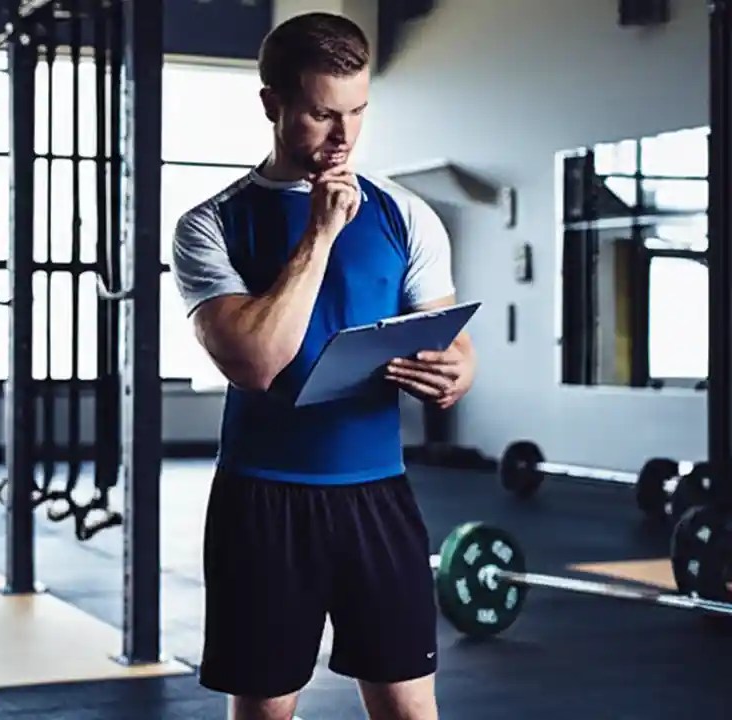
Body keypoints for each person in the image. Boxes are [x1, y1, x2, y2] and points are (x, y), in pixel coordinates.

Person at [170, 11, 476, 720]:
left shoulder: (406, 215)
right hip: (262, 502)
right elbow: (255, 362)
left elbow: (454, 345)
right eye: (320, 114)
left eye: (357, 112)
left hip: (379, 498)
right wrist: (320, 231)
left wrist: (454, 374)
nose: (343, 137)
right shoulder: (210, 225)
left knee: (408, 708)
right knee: (267, 711)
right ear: (271, 103)